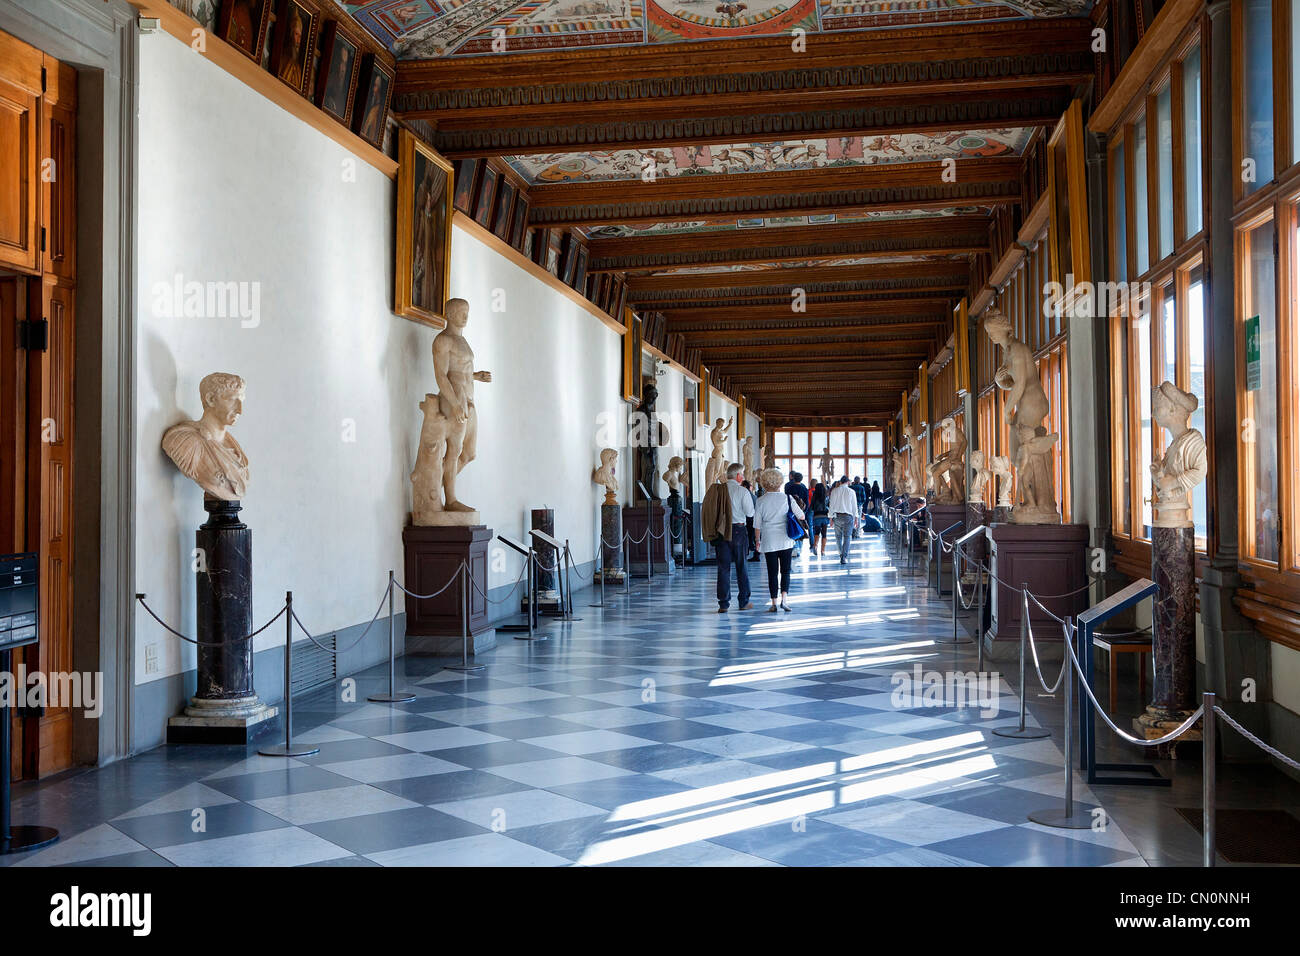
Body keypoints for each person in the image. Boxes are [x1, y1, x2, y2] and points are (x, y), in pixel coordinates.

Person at [705, 463, 755, 612]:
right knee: (741, 566)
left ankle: (723, 603)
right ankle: (743, 601)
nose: (744, 477)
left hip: (721, 531)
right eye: (743, 474)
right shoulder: (742, 491)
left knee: (723, 567)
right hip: (738, 530)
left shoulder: (718, 491)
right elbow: (750, 513)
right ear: (738, 476)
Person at [754, 468, 803, 612]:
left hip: (769, 540)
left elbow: (757, 524)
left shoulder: (760, 501)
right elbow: (801, 516)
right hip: (785, 539)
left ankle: (774, 603)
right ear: (779, 482)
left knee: (772, 572)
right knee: (786, 571)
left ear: (764, 483)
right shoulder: (787, 498)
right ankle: (784, 600)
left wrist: (758, 540)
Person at [829, 476, 858, 565]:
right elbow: (854, 506)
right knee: (847, 537)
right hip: (848, 516)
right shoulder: (851, 492)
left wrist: (830, 518)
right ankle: (844, 557)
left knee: (838, 537)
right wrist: (856, 518)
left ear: (841, 482)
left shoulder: (834, 491)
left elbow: (831, 505)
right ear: (848, 482)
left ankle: (840, 553)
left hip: (837, 516)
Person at [783, 471, 810, 556]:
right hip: (801, 511)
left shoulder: (789, 487)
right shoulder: (804, 488)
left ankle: (794, 547)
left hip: (791, 510)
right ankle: (799, 548)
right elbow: (807, 502)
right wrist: (804, 511)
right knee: (801, 528)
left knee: (793, 527)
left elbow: (786, 499)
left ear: (793, 478)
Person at [809, 481, 830, 557]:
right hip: (825, 517)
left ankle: (815, 546)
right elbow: (829, 507)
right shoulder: (826, 497)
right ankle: (823, 551)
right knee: (824, 534)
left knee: (816, 532)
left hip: (816, 517)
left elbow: (811, 508)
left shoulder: (814, 498)